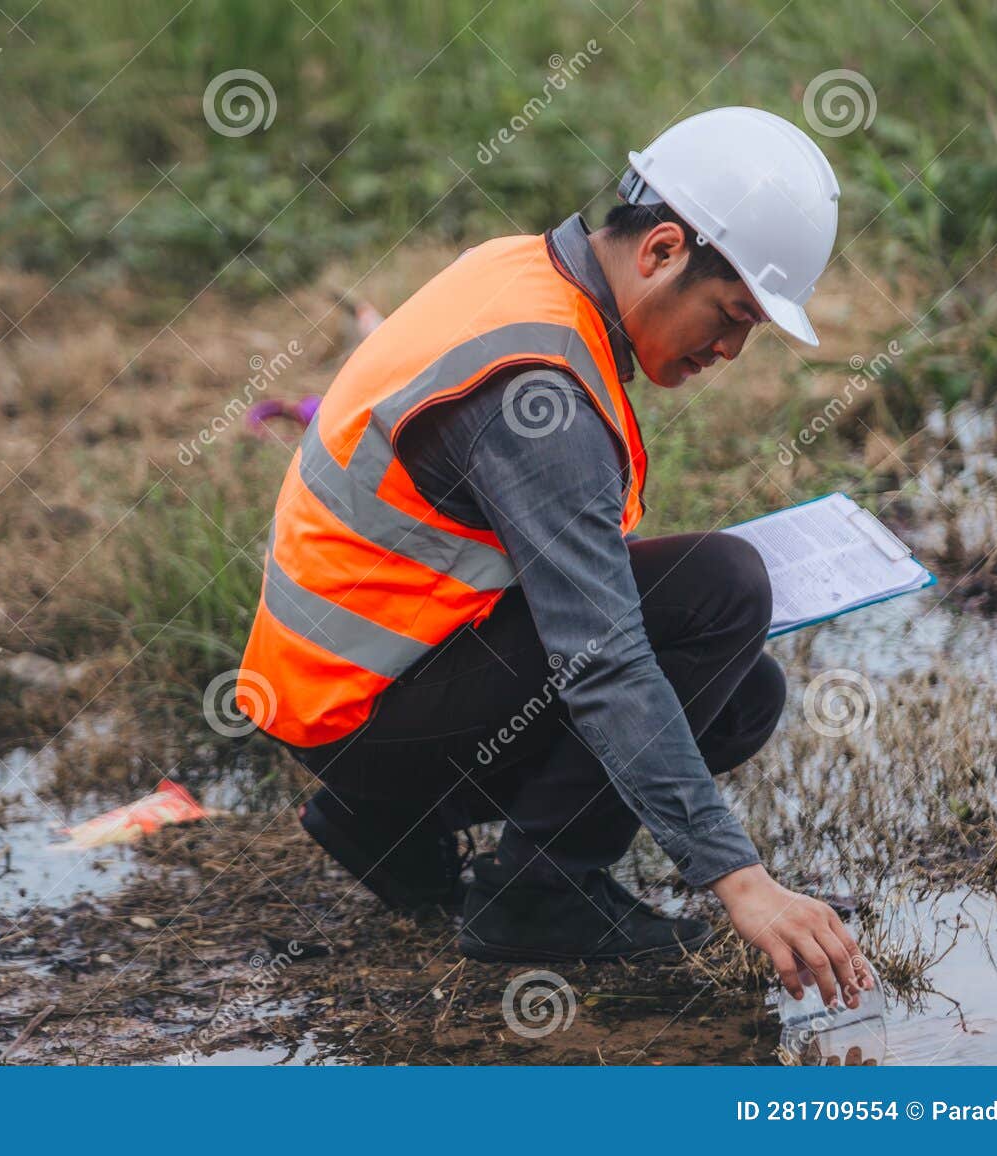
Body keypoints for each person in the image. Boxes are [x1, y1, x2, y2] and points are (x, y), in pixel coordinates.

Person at [234, 107, 872, 1011]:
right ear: (659, 251)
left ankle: (384, 824)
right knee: (722, 590)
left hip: (347, 691)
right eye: (732, 315)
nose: (730, 350)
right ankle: (537, 896)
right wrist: (741, 881)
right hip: (357, 713)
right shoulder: (540, 391)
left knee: (745, 695)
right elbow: (601, 656)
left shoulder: (519, 270)